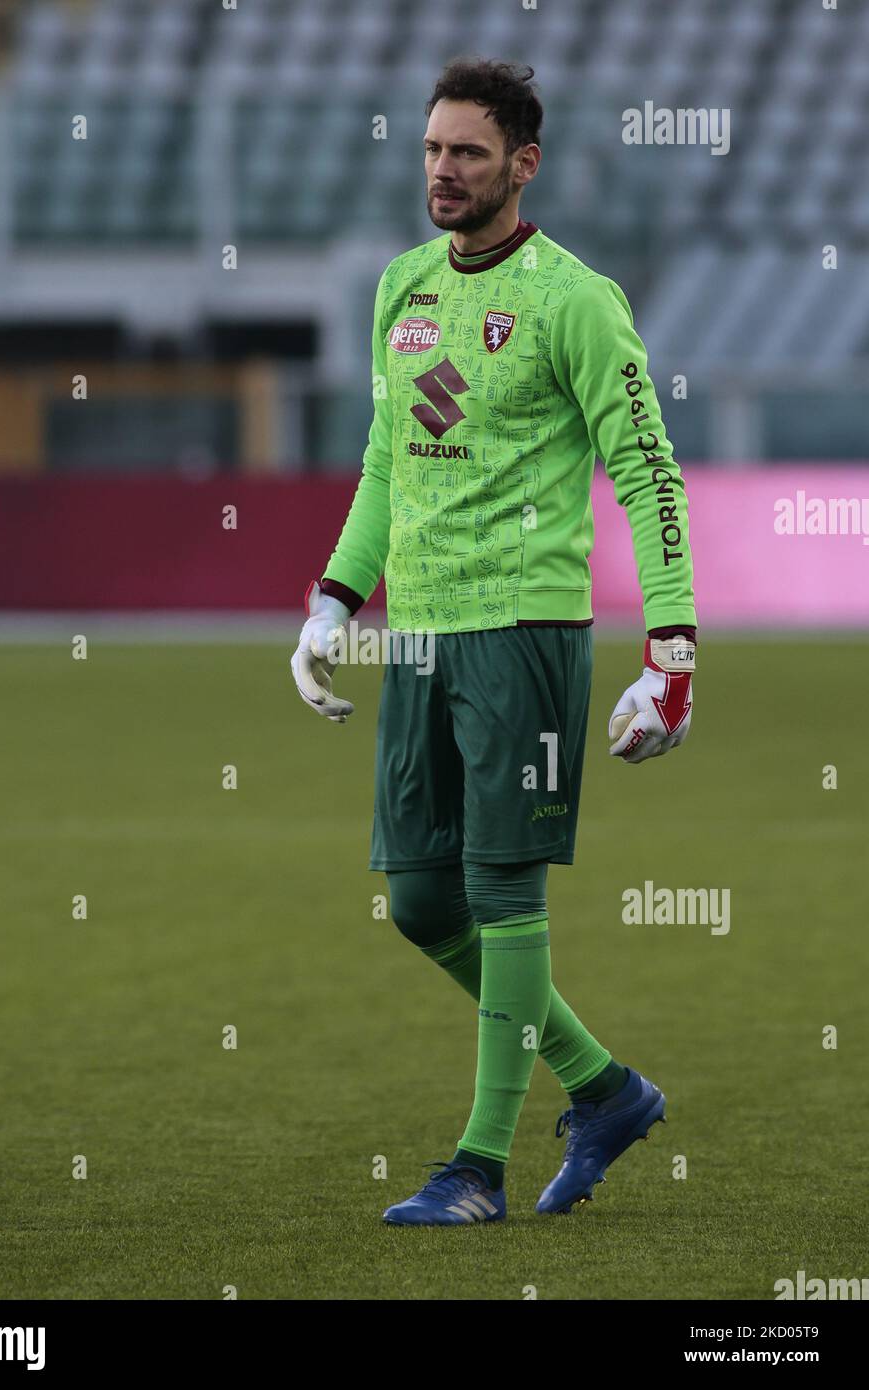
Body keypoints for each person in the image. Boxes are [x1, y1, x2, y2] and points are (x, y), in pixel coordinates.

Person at [290, 58, 696, 1226]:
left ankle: (477, 1168)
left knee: (503, 890)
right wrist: (334, 598)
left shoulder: (577, 300)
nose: (442, 172)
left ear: (523, 163)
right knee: (421, 901)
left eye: (468, 153)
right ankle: (606, 1089)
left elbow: (649, 475)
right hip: (419, 634)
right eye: (430, 150)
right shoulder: (402, 288)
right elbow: (385, 459)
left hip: (525, 633)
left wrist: (671, 655)